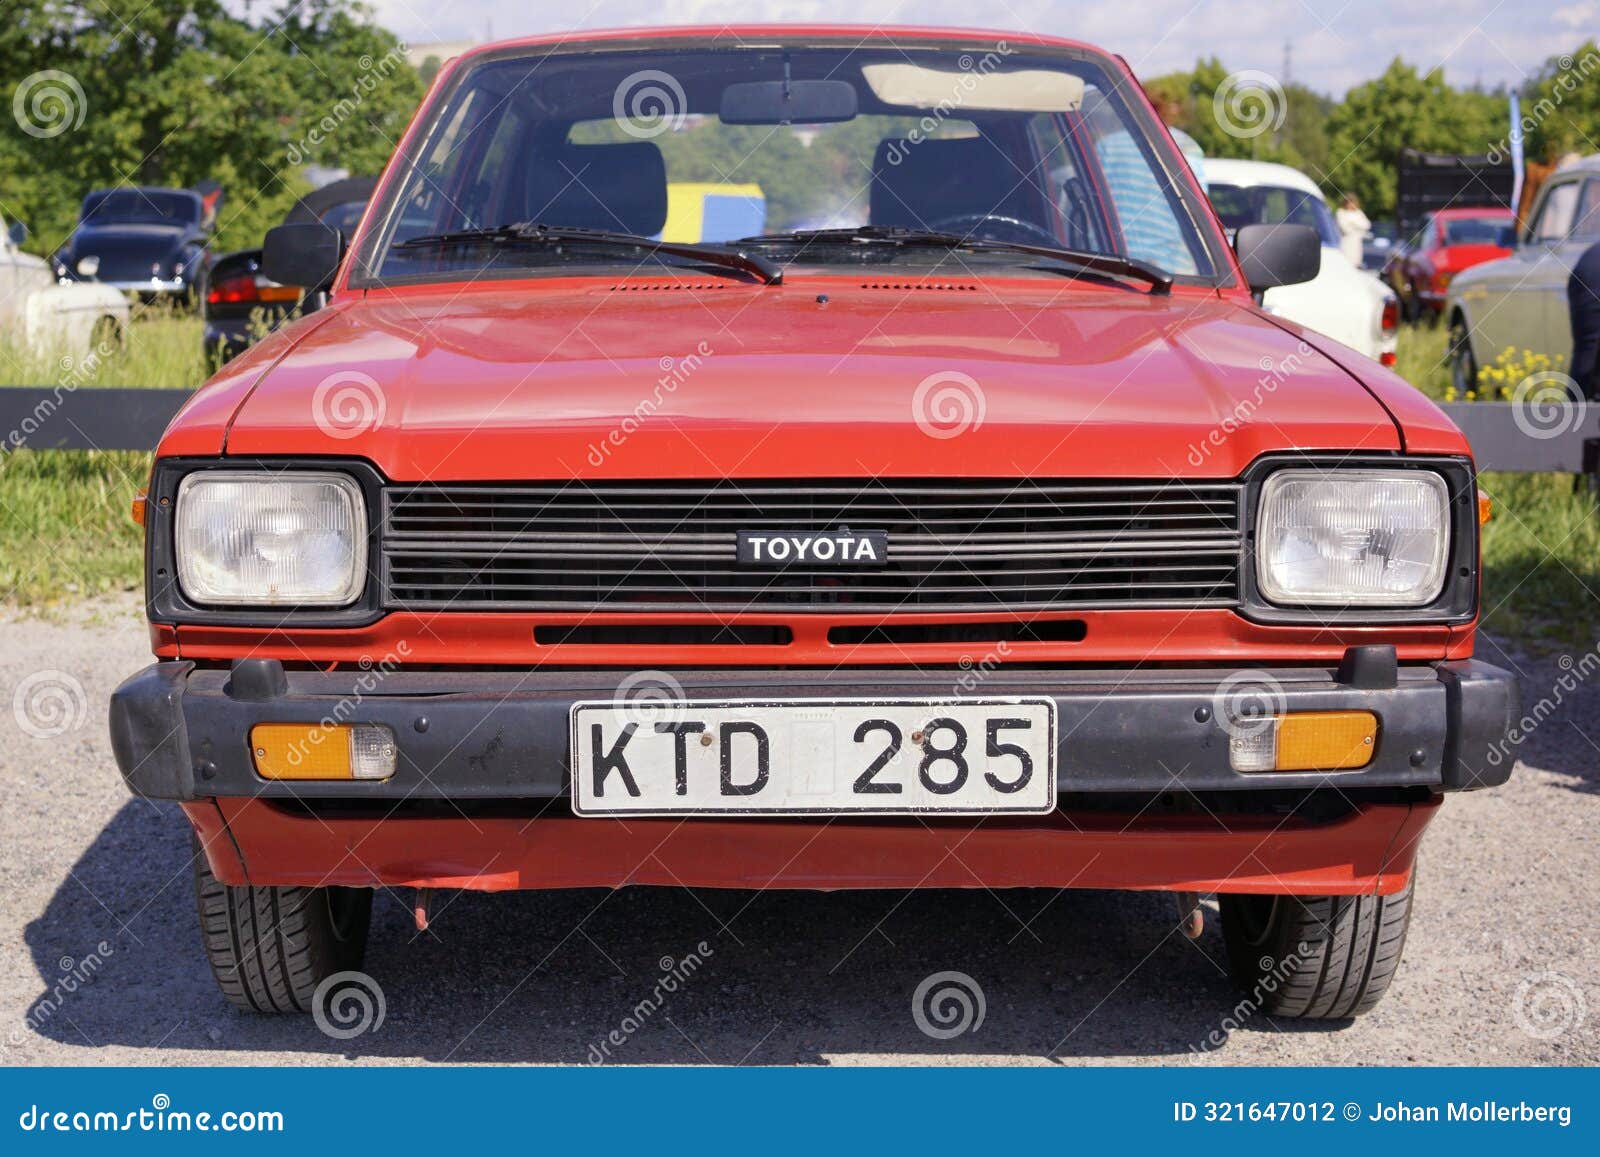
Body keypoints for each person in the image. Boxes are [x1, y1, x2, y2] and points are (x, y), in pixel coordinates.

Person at [1569, 238, 1600, 401]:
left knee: (1588, 350)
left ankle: (1573, 417)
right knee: (1589, 350)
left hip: (1590, 269)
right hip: (1593, 273)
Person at [1334, 193, 1370, 268]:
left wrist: (1352, 223)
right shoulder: (1341, 212)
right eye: (1349, 202)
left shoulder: (1358, 212)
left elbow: (1367, 225)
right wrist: (1358, 226)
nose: (1351, 205)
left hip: (1357, 245)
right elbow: (1345, 229)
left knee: (1356, 264)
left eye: (1353, 202)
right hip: (1345, 244)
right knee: (1345, 264)